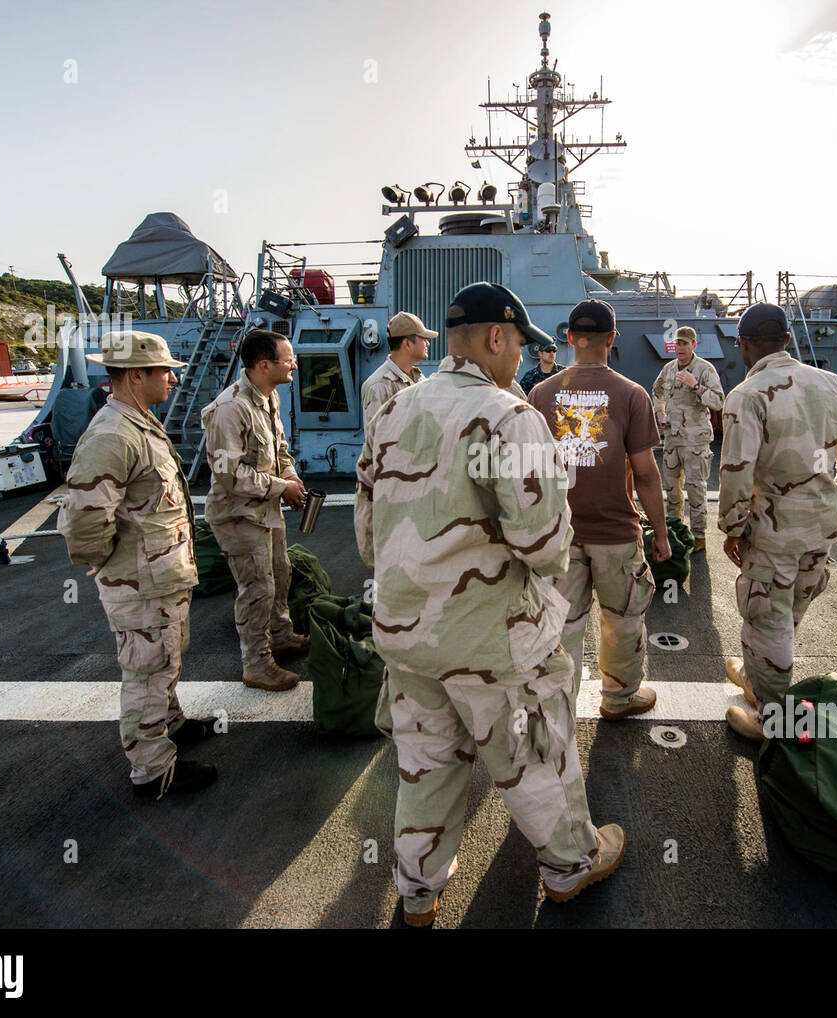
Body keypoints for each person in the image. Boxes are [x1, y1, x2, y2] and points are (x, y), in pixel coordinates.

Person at [355, 281, 624, 926]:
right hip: (488, 639)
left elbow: (368, 534)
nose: (518, 362)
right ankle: (569, 866)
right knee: (533, 754)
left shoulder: (391, 410)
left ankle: (418, 893)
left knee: (425, 764)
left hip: (403, 632)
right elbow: (544, 544)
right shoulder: (511, 417)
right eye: (516, 347)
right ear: (497, 337)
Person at [58, 331, 218, 800]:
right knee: (147, 670)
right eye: (164, 371)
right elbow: (86, 520)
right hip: (141, 581)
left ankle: (170, 723)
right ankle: (152, 769)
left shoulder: (137, 421)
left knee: (165, 658)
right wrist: (114, 565)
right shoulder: (112, 434)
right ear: (135, 375)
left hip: (160, 576)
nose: (172, 378)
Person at [717, 303, 837, 740]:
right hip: (821, 528)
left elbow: (736, 470)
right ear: (787, 340)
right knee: (789, 611)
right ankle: (758, 677)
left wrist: (733, 528)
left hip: (772, 533)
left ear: (745, 346)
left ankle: (772, 720)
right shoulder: (833, 384)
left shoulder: (746, 397)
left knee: (766, 618)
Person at [530, 298, 669, 720]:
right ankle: (618, 699)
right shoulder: (631, 394)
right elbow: (645, 474)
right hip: (616, 535)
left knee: (559, 629)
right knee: (623, 622)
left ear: (570, 338)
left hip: (559, 537)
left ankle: (558, 709)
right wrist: (660, 534)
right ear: (612, 339)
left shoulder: (540, 393)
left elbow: (530, 474)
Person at [201, 330, 309, 692]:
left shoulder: (268, 396)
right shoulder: (229, 410)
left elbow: (278, 448)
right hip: (238, 514)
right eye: (288, 358)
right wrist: (281, 487)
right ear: (265, 365)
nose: (293, 363)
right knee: (257, 587)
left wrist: (290, 476)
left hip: (264, 509)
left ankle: (280, 635)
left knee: (280, 572)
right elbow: (228, 474)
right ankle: (257, 664)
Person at [652, 325, 724, 553]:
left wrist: (696, 386)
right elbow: (657, 391)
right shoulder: (669, 369)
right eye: (677, 343)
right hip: (672, 440)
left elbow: (719, 402)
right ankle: (674, 532)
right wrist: (660, 413)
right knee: (672, 490)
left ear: (694, 345)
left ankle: (699, 537)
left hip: (695, 441)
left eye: (685, 343)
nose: (680, 347)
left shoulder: (705, 369)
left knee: (696, 490)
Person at [360, 311, 434, 426]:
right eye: (424, 338)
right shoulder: (379, 386)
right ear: (407, 344)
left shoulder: (417, 378)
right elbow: (376, 438)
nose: (427, 343)